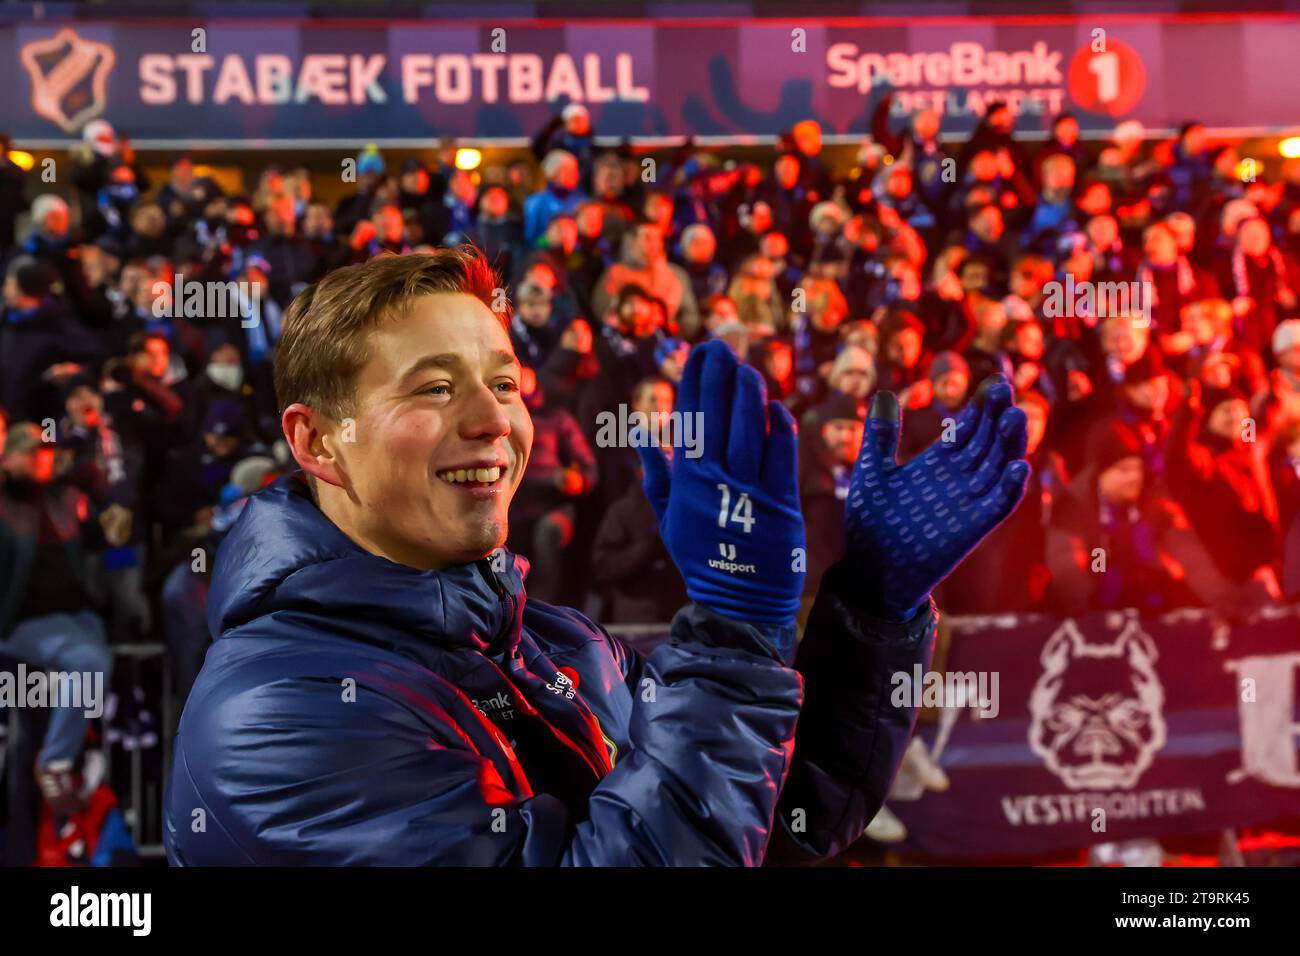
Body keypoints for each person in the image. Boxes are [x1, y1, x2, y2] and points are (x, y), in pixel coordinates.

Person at [163, 247, 1029, 866]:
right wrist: (730, 635)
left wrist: (870, 612)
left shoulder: (558, 644)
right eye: (434, 387)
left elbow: (777, 820)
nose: (494, 419)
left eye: (504, 383)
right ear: (319, 442)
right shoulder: (274, 717)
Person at [0, 422, 113, 817]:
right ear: (9, 459)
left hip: (70, 614)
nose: (43, 460)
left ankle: (82, 736)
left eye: (46, 453)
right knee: (90, 661)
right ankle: (56, 762)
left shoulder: (62, 496)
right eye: (33, 454)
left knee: (97, 643)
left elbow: (96, 536)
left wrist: (104, 519)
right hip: (18, 621)